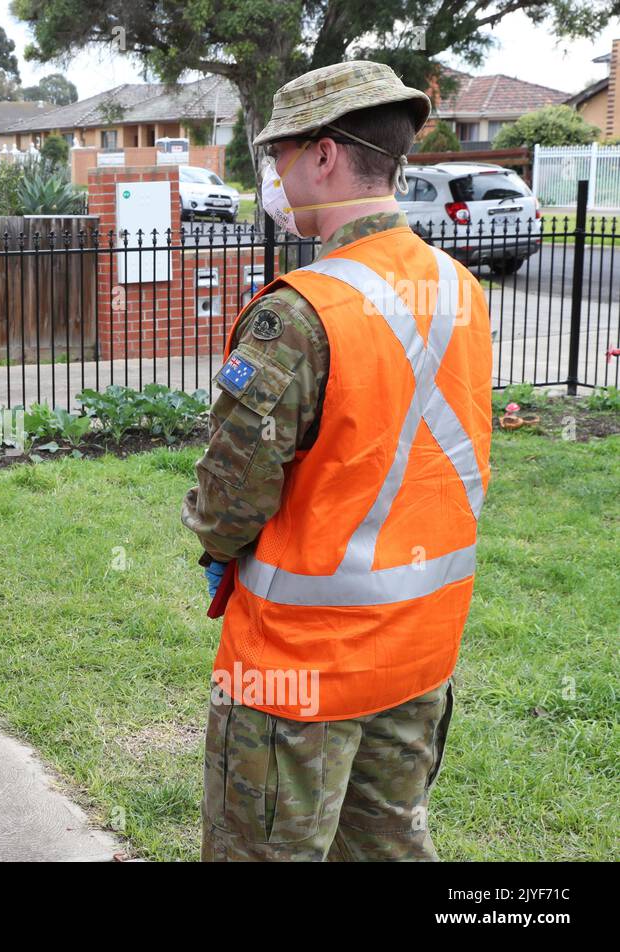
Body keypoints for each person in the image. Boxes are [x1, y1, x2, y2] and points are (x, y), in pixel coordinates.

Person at [181, 61, 492, 860]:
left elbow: (230, 502)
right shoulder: (459, 287)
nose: (275, 179)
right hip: (419, 654)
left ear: (323, 156)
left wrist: (212, 542)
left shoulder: (299, 311)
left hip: (298, 670)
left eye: (278, 157)